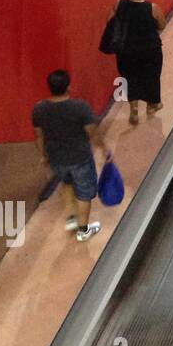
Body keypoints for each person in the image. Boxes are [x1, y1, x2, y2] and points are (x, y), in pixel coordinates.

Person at [32, 70, 111, 242]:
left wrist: (43, 156)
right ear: (68, 86)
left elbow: (39, 136)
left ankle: (71, 219)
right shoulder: (79, 107)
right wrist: (104, 148)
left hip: (56, 159)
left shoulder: (39, 109)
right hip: (80, 158)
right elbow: (92, 132)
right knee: (84, 193)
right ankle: (83, 230)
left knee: (66, 184)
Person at [108, 0, 167, 125]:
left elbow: (111, 23)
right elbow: (162, 24)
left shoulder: (118, 4)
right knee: (151, 76)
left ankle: (134, 109)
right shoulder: (152, 8)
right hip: (149, 50)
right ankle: (152, 105)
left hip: (126, 51)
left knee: (129, 77)